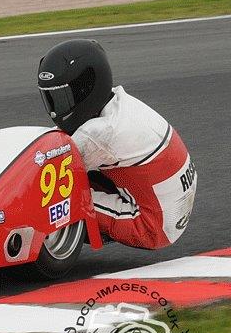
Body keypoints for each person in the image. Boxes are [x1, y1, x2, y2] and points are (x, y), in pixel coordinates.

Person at [37, 39, 196, 250]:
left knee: (53, 197)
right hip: (170, 201)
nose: (56, 108)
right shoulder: (118, 101)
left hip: (154, 227)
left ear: (86, 89)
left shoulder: (99, 133)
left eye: (61, 97)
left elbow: (46, 168)